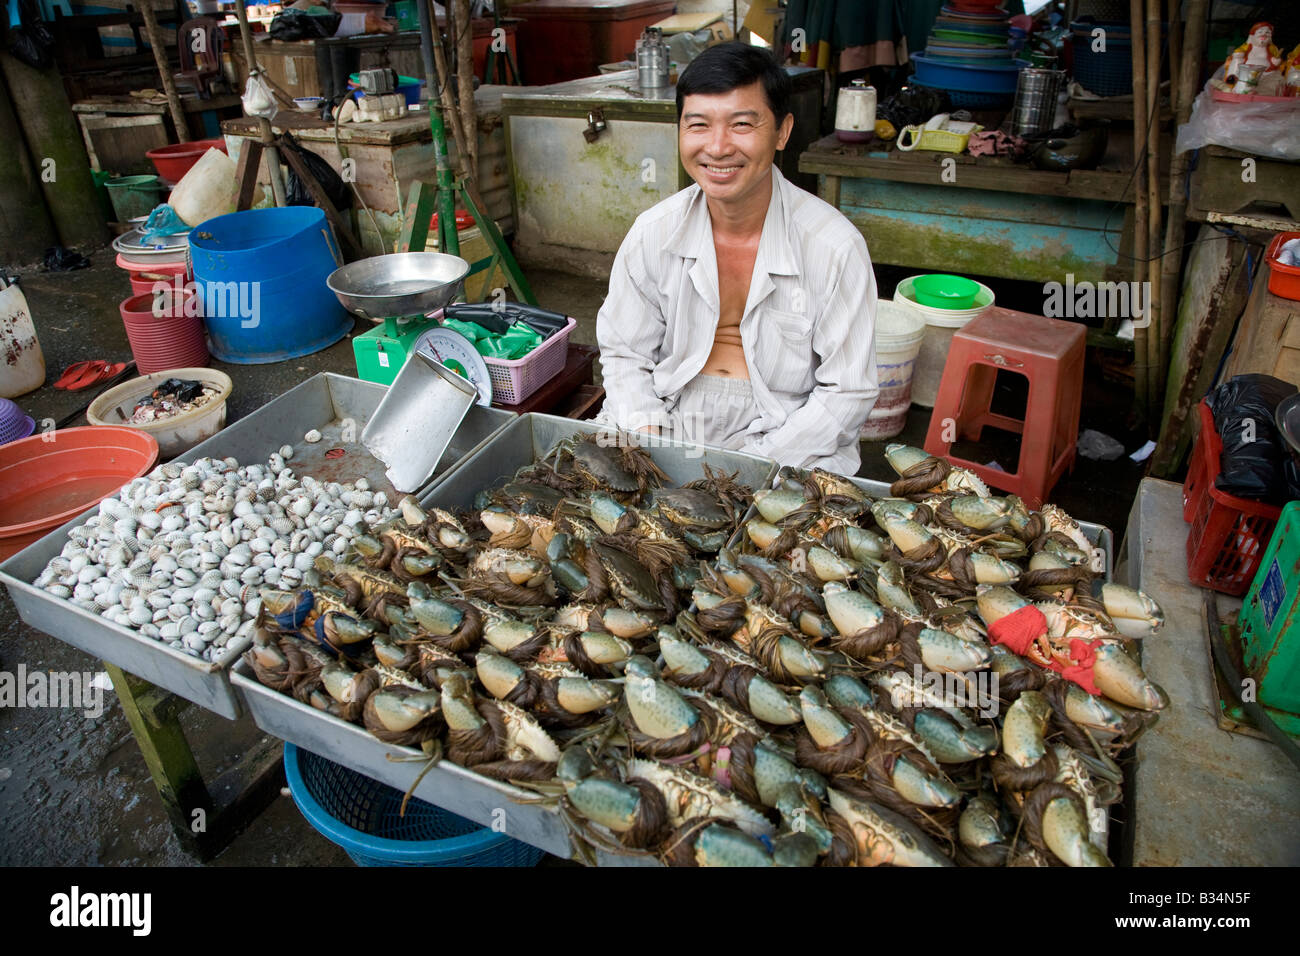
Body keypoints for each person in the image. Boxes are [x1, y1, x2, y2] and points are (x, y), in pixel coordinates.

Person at [595, 42, 878, 475]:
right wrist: (648, 435)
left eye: (742, 124)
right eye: (699, 125)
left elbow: (848, 391)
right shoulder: (653, 233)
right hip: (669, 411)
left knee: (784, 536)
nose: (718, 147)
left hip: (788, 425)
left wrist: (761, 464)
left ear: (782, 131)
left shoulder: (834, 246)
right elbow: (624, 355)